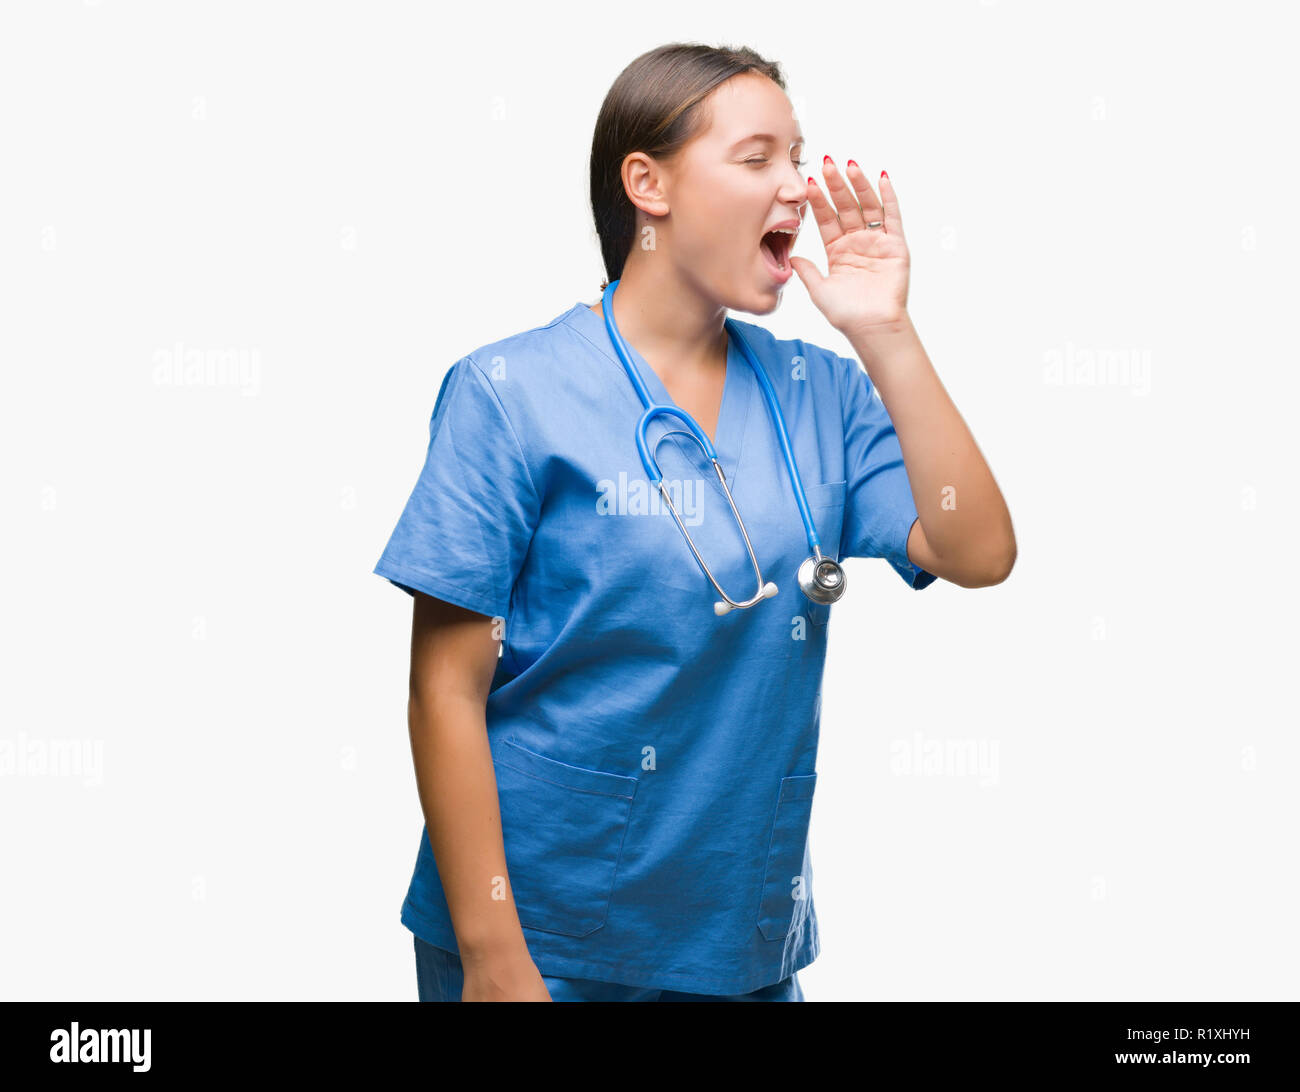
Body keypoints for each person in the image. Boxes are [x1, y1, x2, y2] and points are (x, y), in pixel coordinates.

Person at [374, 42, 1016, 1002]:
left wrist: (886, 331)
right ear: (649, 184)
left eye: (798, 157)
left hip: (742, 941)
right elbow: (445, 692)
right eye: (758, 159)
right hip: (542, 939)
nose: (797, 188)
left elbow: (977, 549)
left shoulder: (822, 392)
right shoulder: (510, 394)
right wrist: (494, 957)